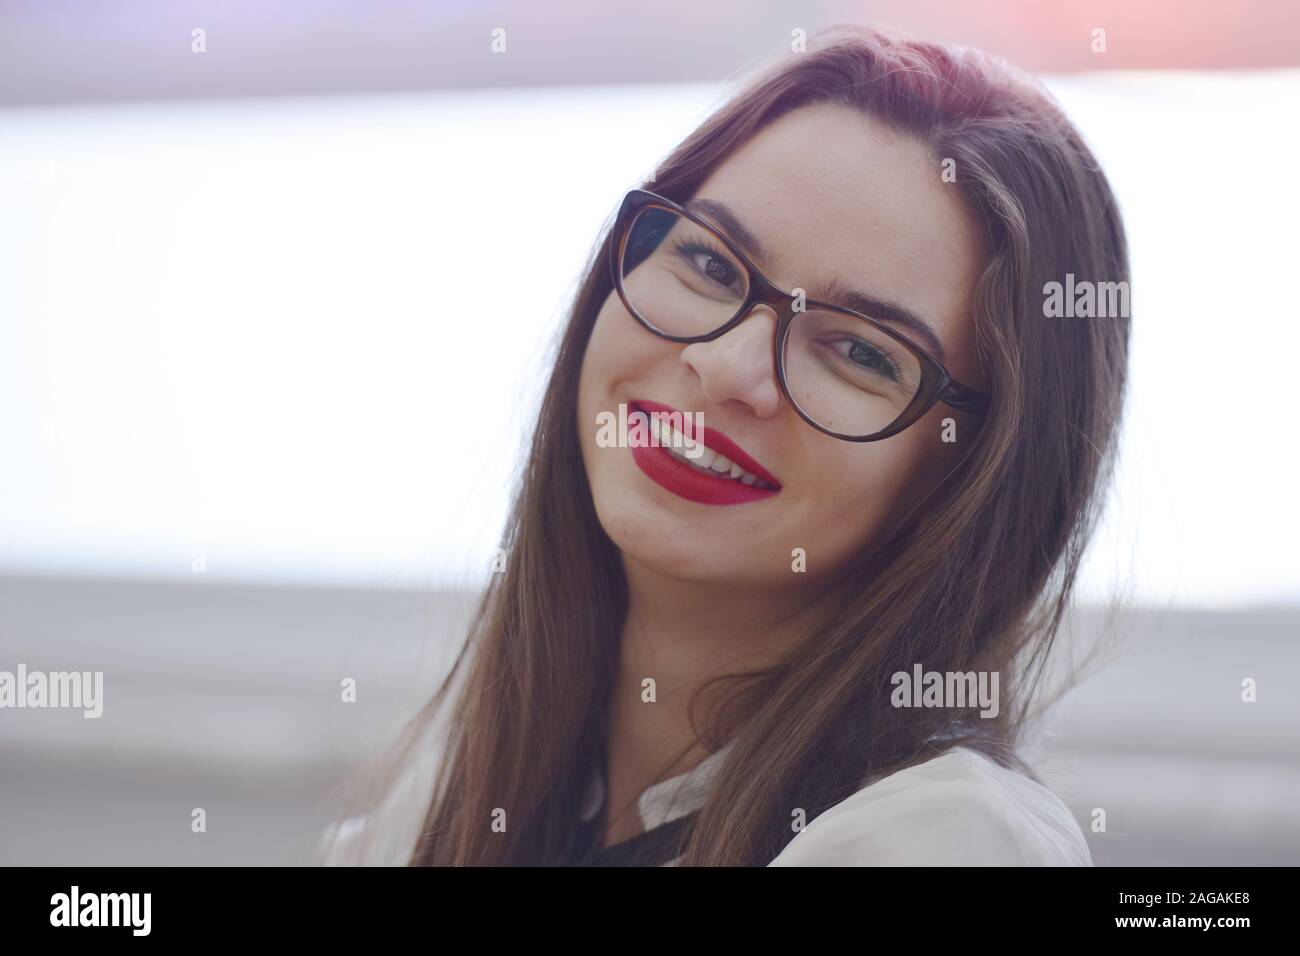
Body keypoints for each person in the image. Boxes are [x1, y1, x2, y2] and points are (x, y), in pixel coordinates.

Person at [323, 23, 1128, 867]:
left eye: (860, 352)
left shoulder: (948, 841)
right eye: (708, 263)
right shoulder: (453, 789)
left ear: (971, 476)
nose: (722, 367)